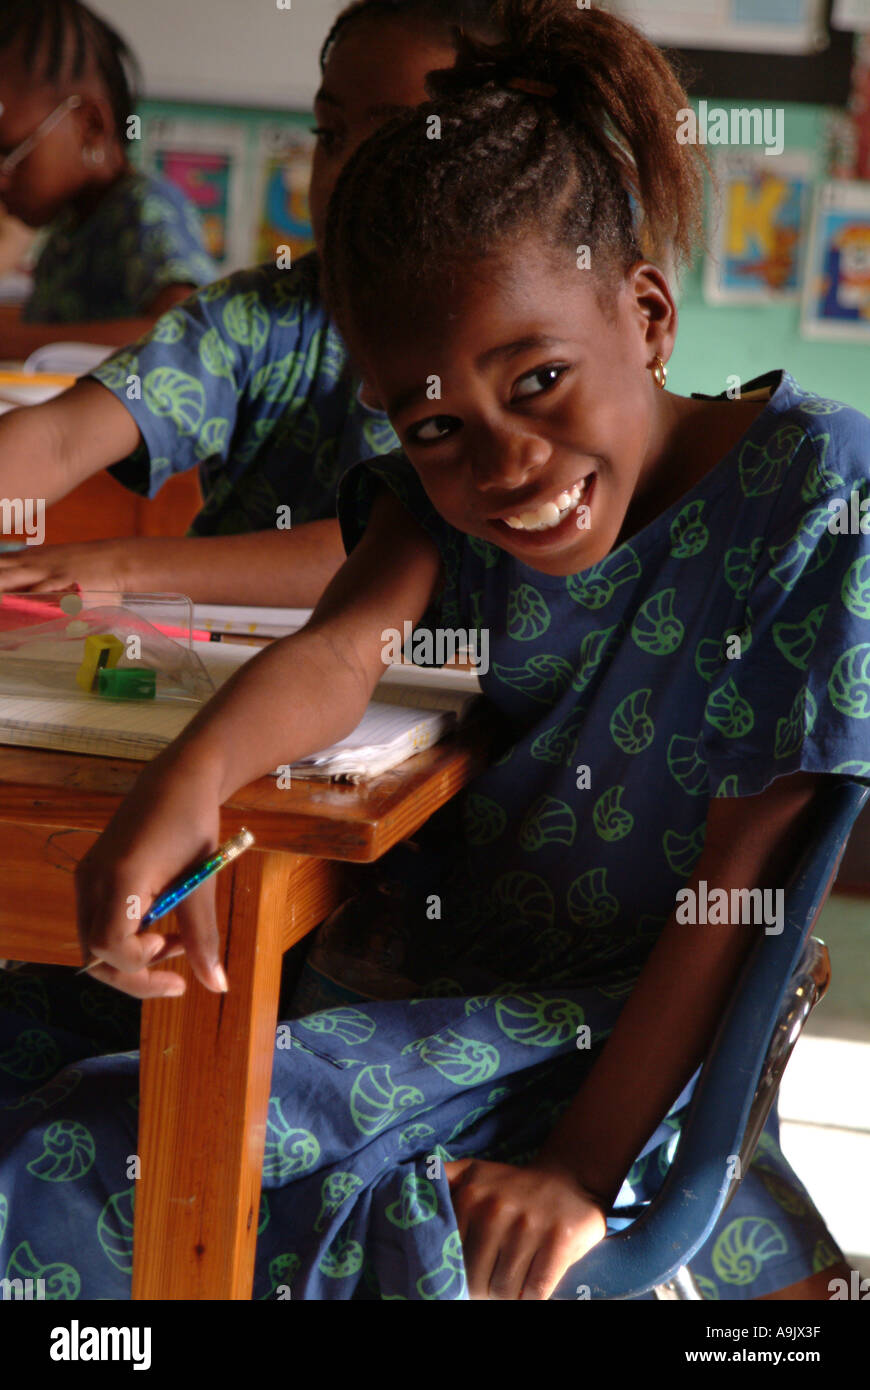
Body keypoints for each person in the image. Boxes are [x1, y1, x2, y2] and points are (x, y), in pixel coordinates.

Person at [0, 0, 863, 1302]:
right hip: (404, 977)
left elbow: (741, 889)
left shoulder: (816, 491)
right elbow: (341, 648)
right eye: (432, 423)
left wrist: (578, 1166)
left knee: (79, 1166)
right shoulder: (433, 493)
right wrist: (165, 802)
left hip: (579, 1029)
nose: (506, 462)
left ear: (645, 312)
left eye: (535, 380)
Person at [0, 0, 497, 607]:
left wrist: (123, 566)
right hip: (226, 660)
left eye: (394, 140)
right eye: (330, 135)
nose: (343, 173)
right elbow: (57, 440)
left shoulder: (524, 353)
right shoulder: (261, 313)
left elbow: (387, 551)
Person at [0, 0, 217, 355]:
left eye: (9, 152)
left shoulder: (146, 207)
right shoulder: (67, 231)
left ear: (90, 126)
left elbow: (187, 333)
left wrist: (10, 342)